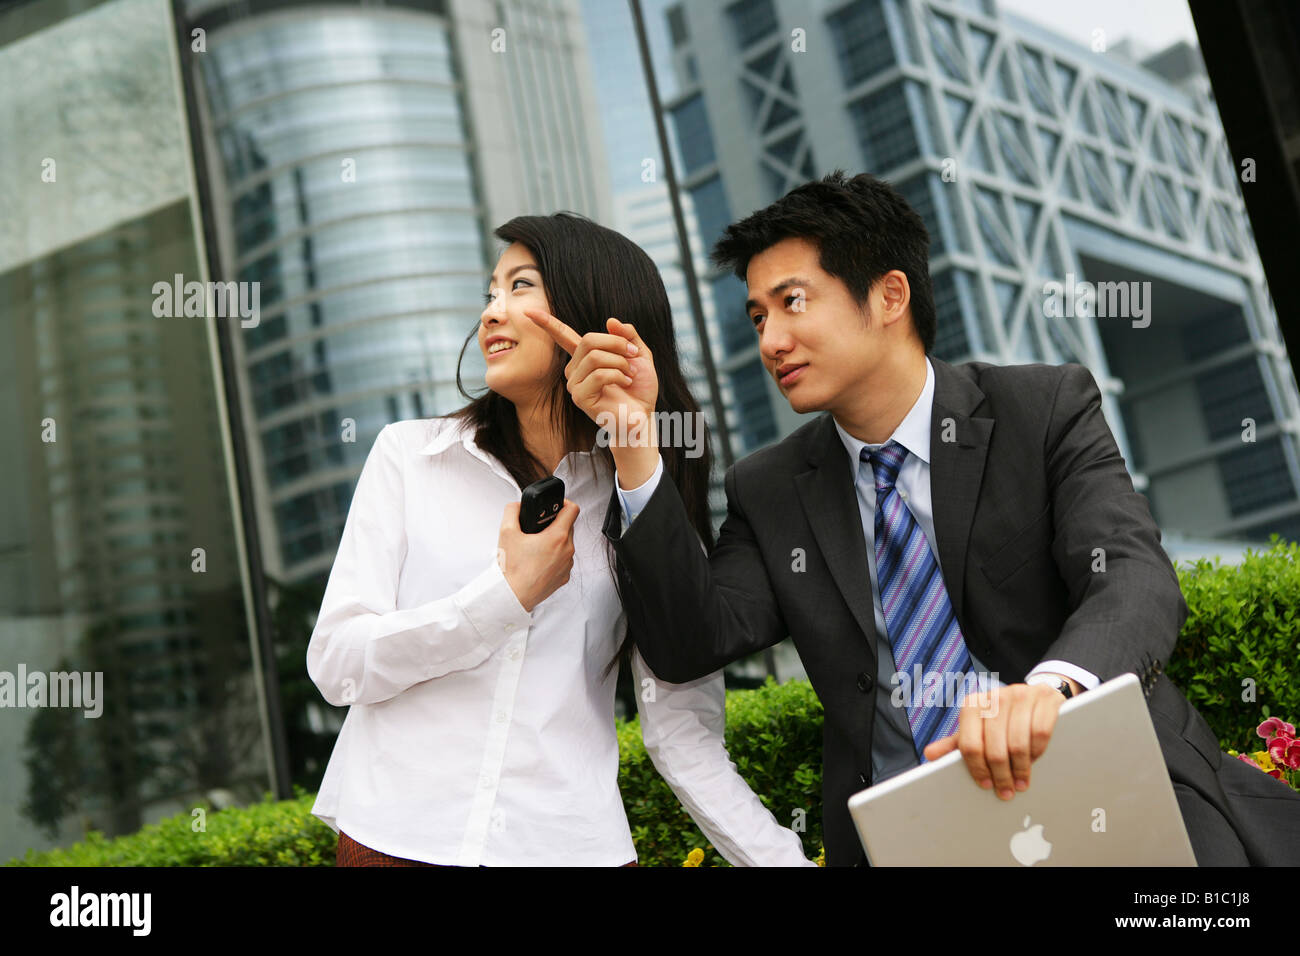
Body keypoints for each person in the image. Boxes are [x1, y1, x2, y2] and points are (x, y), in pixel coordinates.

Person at [530, 170, 1300, 867]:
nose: (770, 340)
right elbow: (690, 639)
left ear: (889, 296)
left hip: (1112, 800)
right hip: (916, 845)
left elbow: (1131, 575)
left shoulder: (1041, 408)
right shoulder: (771, 488)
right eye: (756, 316)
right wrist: (635, 445)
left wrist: (1051, 691)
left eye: (792, 302)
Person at [306, 211, 814, 867]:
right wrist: (502, 598)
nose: (491, 312)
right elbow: (338, 662)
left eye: (521, 287)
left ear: (594, 314)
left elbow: (681, 731)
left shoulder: (641, 492)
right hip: (397, 843)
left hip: (571, 848)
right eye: (491, 292)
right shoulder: (412, 456)